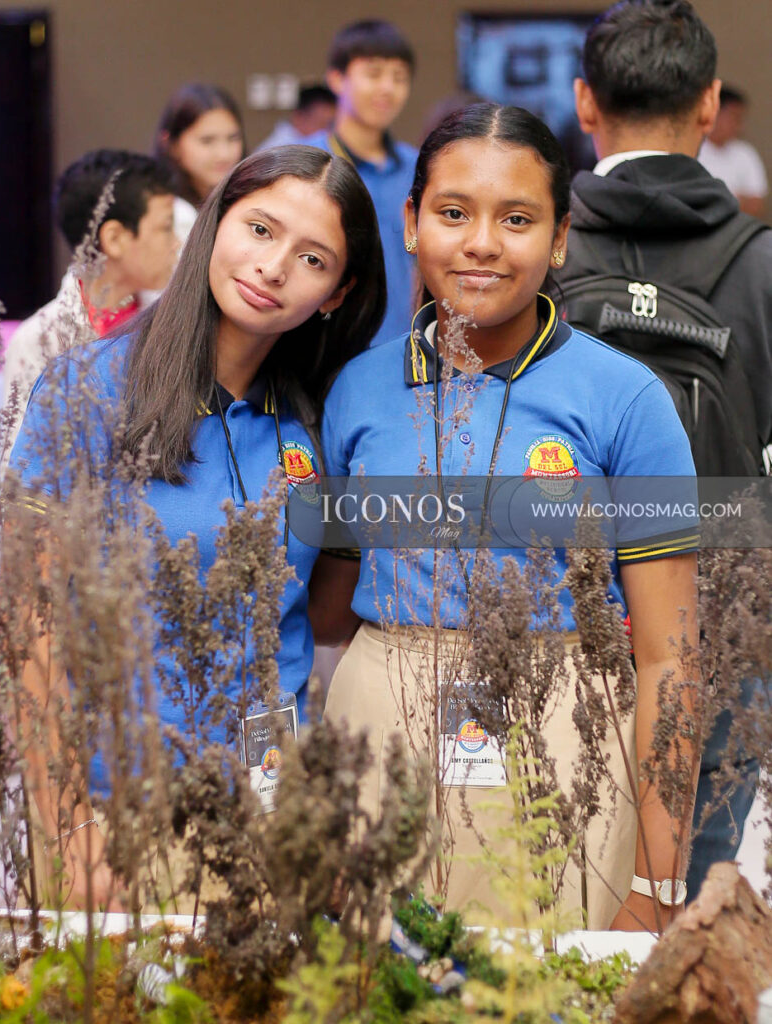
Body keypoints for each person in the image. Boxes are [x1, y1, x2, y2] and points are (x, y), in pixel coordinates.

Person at [311, 102, 699, 931]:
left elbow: (671, 659)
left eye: (516, 219)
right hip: (376, 724)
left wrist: (657, 884)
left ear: (559, 239)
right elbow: (329, 606)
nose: (481, 243)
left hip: (562, 733)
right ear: (410, 223)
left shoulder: (628, 399)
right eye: (453, 212)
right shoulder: (355, 390)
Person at [9, 146, 386, 907]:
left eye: (312, 258)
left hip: (270, 812)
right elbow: (28, 621)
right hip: (116, 816)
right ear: (214, 224)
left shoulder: (315, 419)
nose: (273, 267)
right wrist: (68, 823)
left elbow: (312, 614)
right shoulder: (86, 389)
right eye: (260, 229)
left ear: (336, 293)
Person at [557, 0, 772, 902]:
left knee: (548, 883)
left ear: (585, 102)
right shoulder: (760, 263)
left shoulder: (537, 248)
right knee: (688, 897)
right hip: (722, 617)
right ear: (709, 102)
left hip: (548, 623)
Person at [3, 149, 178, 454]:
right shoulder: (39, 340)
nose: (176, 243)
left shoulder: (174, 319)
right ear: (115, 239)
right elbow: (17, 462)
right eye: (166, 228)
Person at [303, 19, 418, 348]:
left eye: (399, 77)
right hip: (324, 346)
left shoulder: (418, 166)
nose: (387, 88)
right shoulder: (307, 162)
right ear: (337, 78)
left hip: (404, 348)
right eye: (374, 73)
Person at [154, 83, 246, 246]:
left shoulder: (247, 201)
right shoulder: (169, 212)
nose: (224, 154)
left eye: (233, 138)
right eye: (207, 141)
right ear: (172, 144)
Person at [698, 85, 768, 219]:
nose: (739, 125)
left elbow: (757, 204)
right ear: (714, 113)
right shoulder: (692, 149)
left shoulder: (745, 152)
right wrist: (737, 200)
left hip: (738, 228)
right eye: (734, 117)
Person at [255, 84, 337, 152]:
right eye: (320, 124)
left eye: (330, 124)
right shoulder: (276, 153)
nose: (325, 131)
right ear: (299, 117)